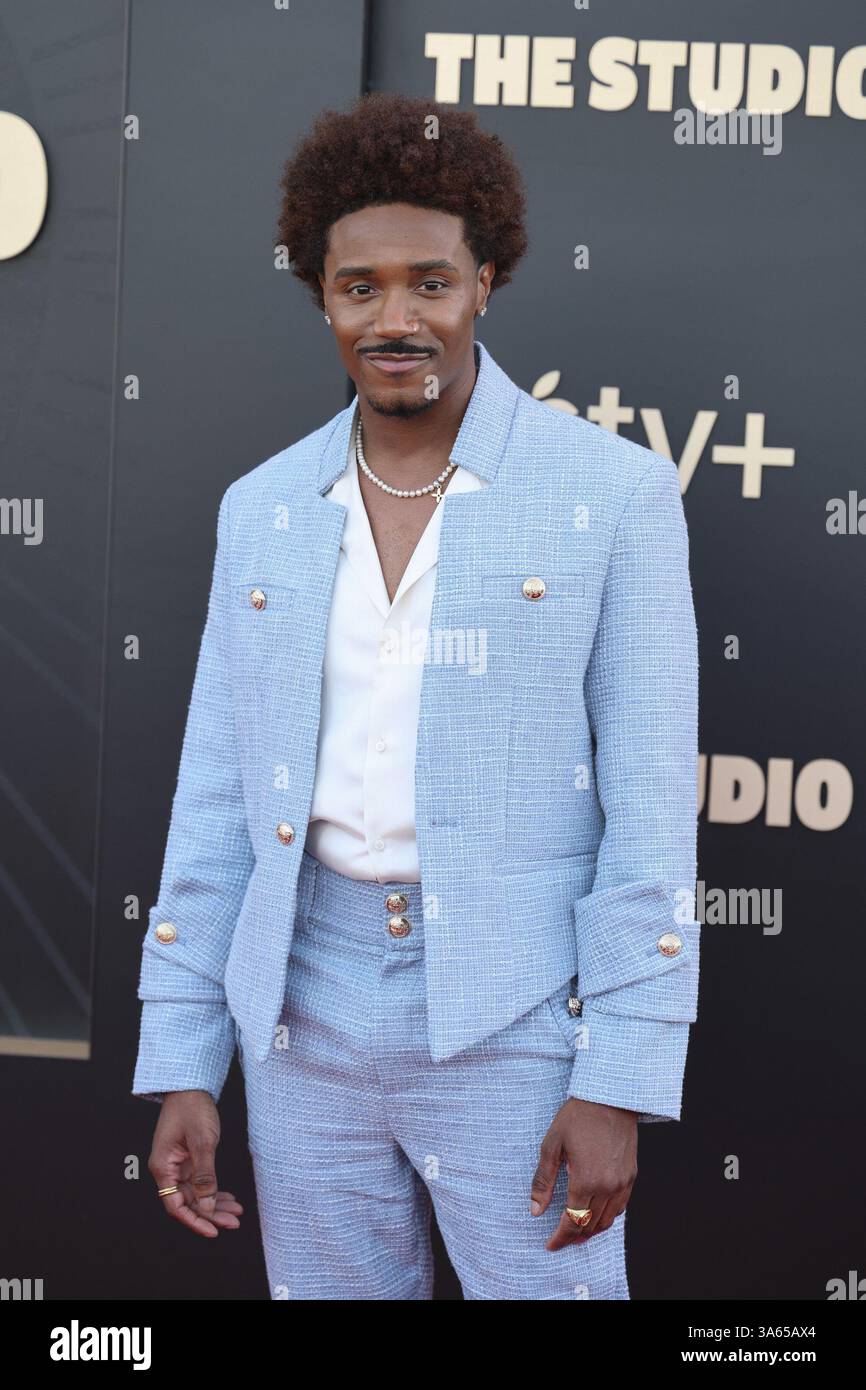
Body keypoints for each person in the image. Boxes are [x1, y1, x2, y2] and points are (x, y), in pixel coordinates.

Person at [132, 92, 700, 1301]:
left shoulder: (613, 496)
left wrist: (620, 1075)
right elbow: (216, 797)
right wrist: (183, 1055)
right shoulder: (263, 511)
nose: (396, 319)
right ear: (323, 296)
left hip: (517, 1012)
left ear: (483, 281)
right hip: (300, 1014)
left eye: (429, 283)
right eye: (360, 288)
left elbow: (651, 801)